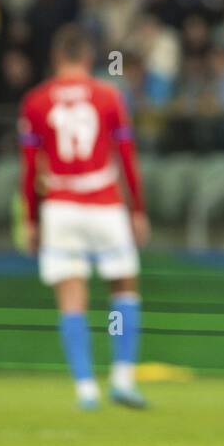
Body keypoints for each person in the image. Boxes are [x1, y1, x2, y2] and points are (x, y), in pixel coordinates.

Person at [18, 24, 150, 410]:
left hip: (60, 204)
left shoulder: (36, 101)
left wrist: (31, 219)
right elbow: (126, 158)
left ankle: (85, 388)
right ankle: (123, 377)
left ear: (56, 59)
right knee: (123, 287)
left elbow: (29, 169)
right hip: (104, 201)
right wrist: (137, 209)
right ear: (88, 59)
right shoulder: (109, 96)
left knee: (71, 299)